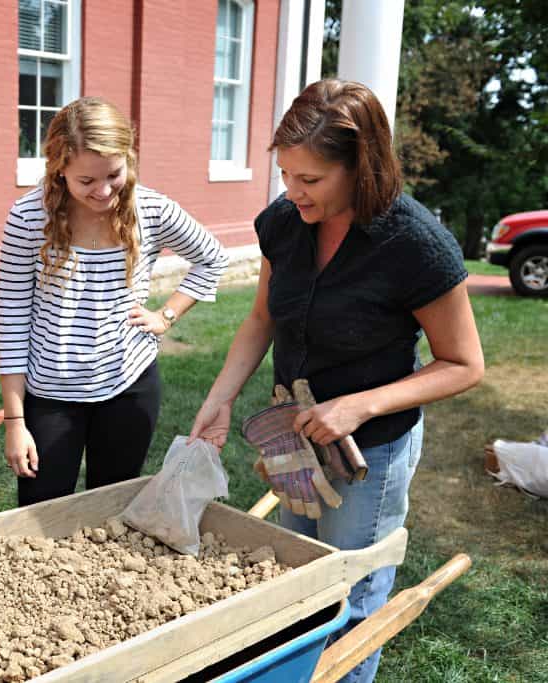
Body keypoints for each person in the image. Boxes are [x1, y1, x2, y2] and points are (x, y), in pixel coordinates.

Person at [188, 79, 484, 683]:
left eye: (310, 179)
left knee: (351, 599)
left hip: (367, 450)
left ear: (361, 167)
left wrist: (358, 406)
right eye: (285, 174)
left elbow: (464, 364)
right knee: (298, 583)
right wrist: (220, 398)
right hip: (293, 439)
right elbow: (263, 317)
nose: (292, 191)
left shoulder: (416, 244)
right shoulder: (282, 223)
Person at [0, 96, 230, 506]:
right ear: (59, 169)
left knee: (112, 509)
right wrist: (15, 421)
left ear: (128, 159)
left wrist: (167, 315)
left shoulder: (151, 210)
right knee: (41, 515)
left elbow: (212, 257)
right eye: (86, 180)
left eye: (114, 175)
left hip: (129, 386)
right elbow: (13, 321)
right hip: (50, 394)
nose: (103, 191)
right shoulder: (29, 217)